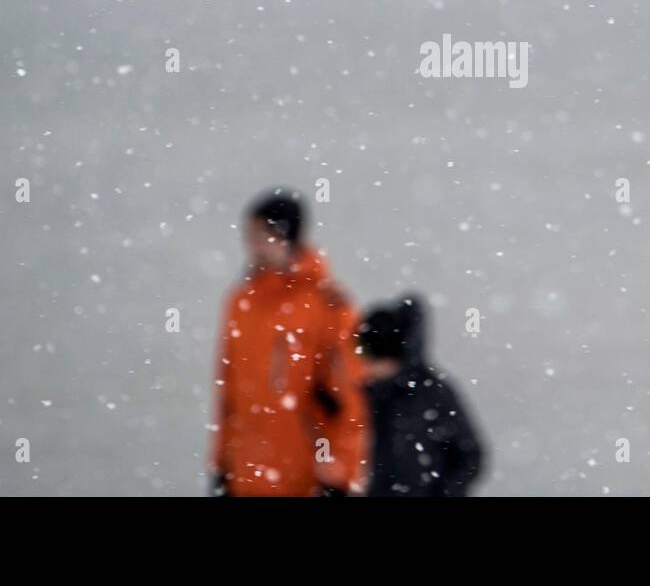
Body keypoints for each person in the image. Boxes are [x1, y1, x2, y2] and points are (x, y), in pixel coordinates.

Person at [208, 188, 369, 496]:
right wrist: (221, 465)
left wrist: (340, 472)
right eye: (249, 235)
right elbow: (228, 395)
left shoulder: (328, 305)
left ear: (287, 237)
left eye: (261, 235)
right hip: (246, 475)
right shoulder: (240, 302)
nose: (252, 245)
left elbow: (350, 397)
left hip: (304, 476)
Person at [357, 293, 485, 496]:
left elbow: (469, 456)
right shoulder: (366, 393)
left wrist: (443, 492)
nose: (365, 364)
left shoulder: (432, 393)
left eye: (369, 354)